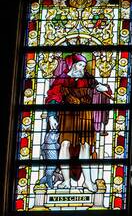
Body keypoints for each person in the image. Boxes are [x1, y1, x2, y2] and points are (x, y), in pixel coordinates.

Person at [44, 52, 111, 191]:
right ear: (73, 65)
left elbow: (101, 88)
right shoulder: (62, 79)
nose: (82, 68)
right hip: (68, 114)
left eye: (84, 66)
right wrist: (51, 116)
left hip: (85, 115)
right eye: (80, 65)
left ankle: (88, 181)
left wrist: (104, 89)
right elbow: (53, 96)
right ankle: (66, 181)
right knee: (64, 145)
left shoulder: (88, 78)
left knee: (86, 146)